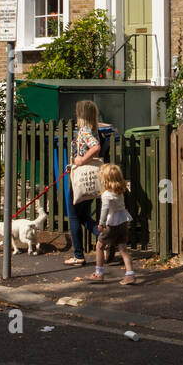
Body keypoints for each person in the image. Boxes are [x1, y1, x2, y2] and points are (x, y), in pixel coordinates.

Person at [63, 100, 103, 266]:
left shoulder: (84, 131)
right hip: (90, 180)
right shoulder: (94, 130)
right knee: (84, 216)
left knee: (73, 215)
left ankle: (78, 255)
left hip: (81, 180)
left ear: (82, 115)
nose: (75, 114)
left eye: (77, 112)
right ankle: (104, 238)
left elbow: (95, 148)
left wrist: (80, 161)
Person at [83, 163, 136, 285]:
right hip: (123, 222)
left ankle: (99, 273)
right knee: (123, 249)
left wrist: (101, 224)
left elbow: (104, 210)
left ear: (106, 179)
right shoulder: (120, 191)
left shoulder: (106, 194)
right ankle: (130, 274)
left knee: (99, 247)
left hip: (111, 224)